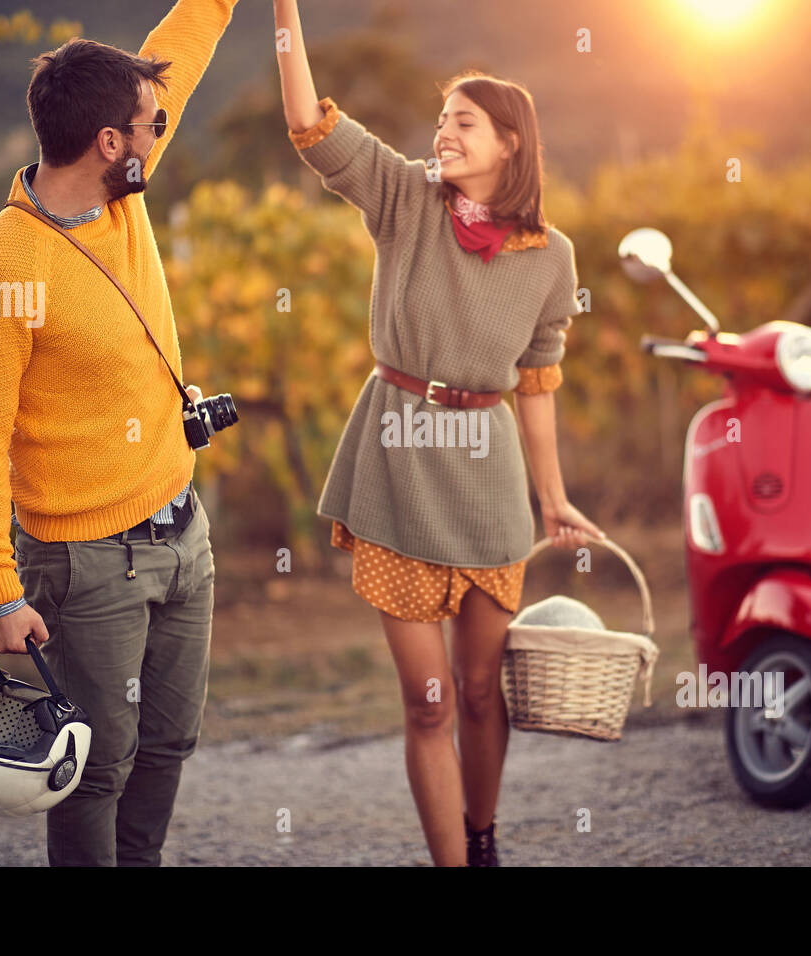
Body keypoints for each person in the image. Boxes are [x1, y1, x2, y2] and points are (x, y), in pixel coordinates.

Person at [272, 0, 604, 866]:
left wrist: (554, 498)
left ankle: (483, 839)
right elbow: (309, 123)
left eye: (464, 122)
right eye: (442, 119)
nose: (444, 133)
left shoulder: (553, 257)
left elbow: (536, 385)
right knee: (429, 704)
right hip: (396, 469)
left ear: (511, 144)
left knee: (483, 691)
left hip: (488, 482)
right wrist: (283, 10)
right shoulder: (404, 199)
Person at [0, 0, 240, 866]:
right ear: (110, 141)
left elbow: (175, 49)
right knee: (95, 770)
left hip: (184, 534)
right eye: (150, 124)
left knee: (169, 746)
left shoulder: (125, 193)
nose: (161, 131)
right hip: (88, 564)